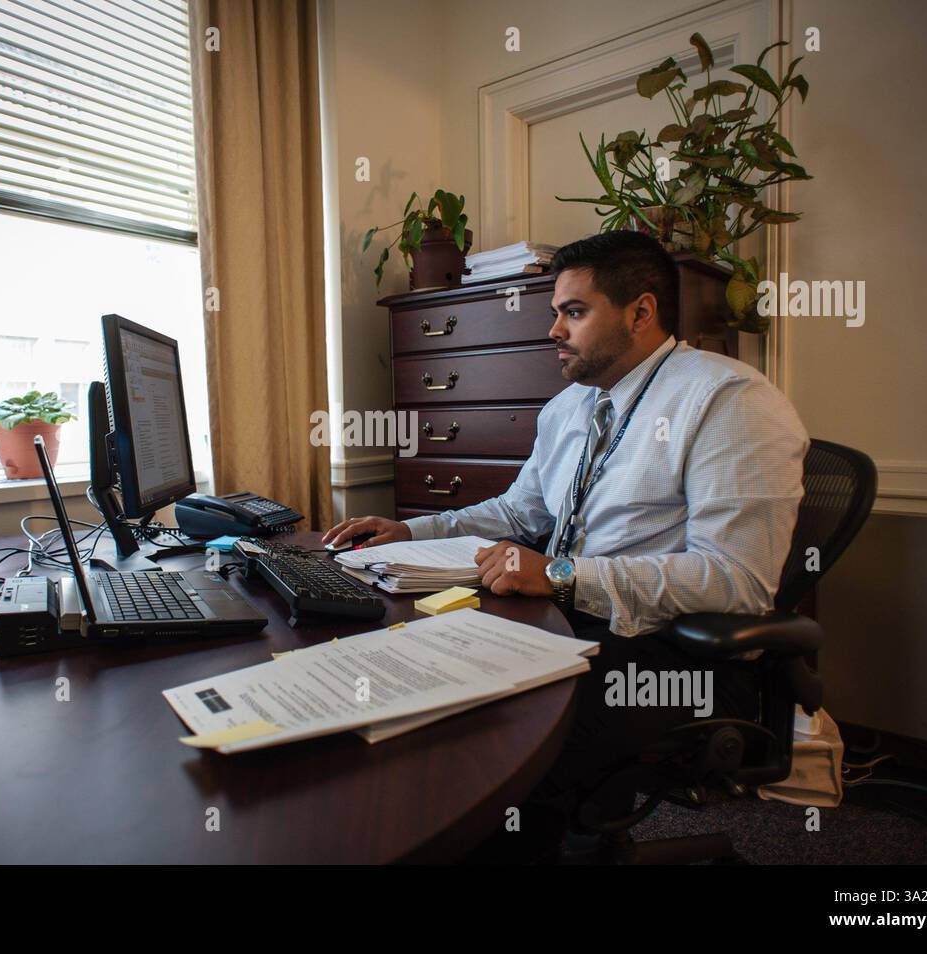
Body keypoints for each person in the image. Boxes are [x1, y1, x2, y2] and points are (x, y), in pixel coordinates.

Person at [322, 230, 808, 862]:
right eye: (556, 312)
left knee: (496, 759)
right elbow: (515, 511)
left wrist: (560, 575)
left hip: (673, 656)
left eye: (573, 312)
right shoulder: (569, 407)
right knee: (421, 693)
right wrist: (409, 530)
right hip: (568, 622)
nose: (553, 329)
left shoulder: (728, 401)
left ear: (640, 312)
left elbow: (736, 580)